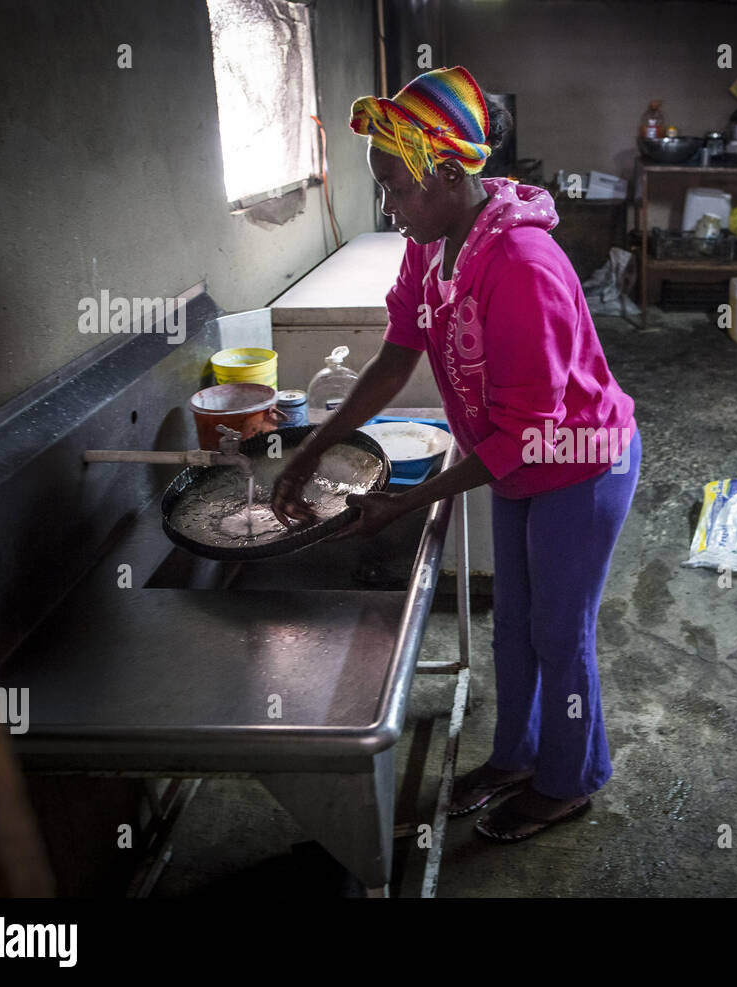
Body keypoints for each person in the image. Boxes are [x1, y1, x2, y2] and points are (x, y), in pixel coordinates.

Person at [271, 66, 640, 843]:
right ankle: (517, 755)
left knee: (559, 630)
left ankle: (570, 780)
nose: (388, 206)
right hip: (518, 459)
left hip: (578, 459)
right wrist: (317, 441)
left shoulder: (523, 269)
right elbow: (395, 359)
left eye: (397, 188)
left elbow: (527, 429)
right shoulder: (433, 248)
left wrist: (405, 502)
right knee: (514, 621)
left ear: (445, 172)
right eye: (382, 189)